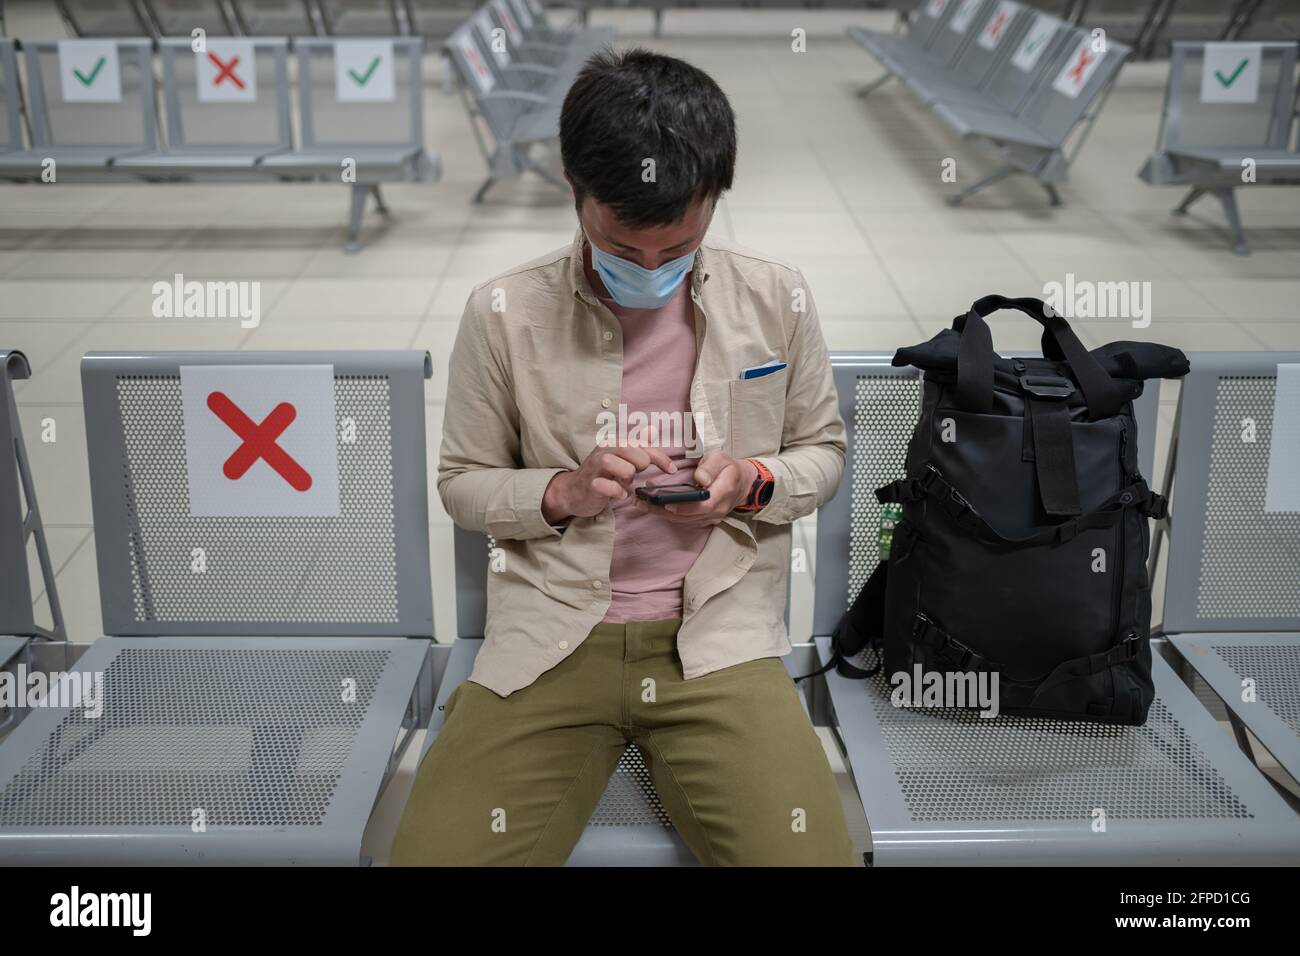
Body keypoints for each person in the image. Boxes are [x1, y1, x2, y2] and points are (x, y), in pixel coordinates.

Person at [390, 48, 853, 866]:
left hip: (716, 636)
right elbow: (462, 485)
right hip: (553, 632)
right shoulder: (504, 314)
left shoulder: (775, 300)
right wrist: (564, 492)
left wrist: (753, 483)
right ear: (576, 191)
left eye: (676, 249)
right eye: (621, 246)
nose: (649, 270)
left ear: (714, 199)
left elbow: (821, 453)